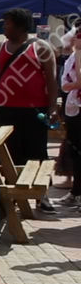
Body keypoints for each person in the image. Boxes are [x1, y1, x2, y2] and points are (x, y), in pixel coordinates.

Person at [0, 8, 59, 212]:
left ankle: (42, 196)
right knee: (10, 155)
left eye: (8, 23)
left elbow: (51, 80)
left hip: (35, 112)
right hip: (5, 110)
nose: (4, 27)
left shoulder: (41, 48)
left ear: (21, 26)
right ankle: (14, 195)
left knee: (38, 153)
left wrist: (52, 108)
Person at [58, 30, 81, 206]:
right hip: (73, 107)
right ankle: (76, 191)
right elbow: (65, 85)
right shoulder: (71, 58)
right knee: (74, 152)